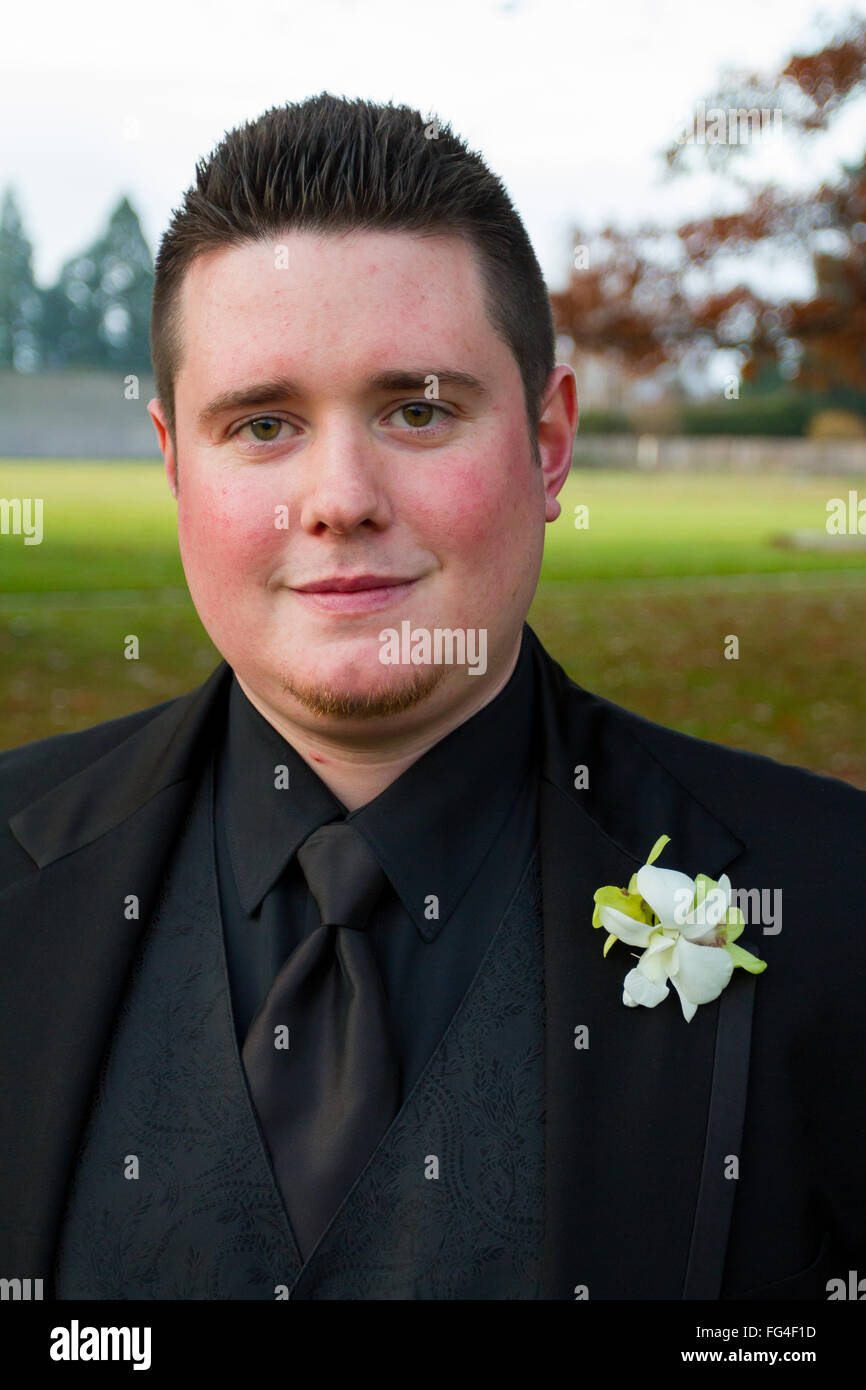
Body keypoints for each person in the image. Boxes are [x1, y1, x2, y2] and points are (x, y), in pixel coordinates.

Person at [1, 93, 863, 1302]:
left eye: (416, 409)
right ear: (173, 464)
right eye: (262, 423)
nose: (339, 495)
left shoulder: (832, 903)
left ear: (547, 444)